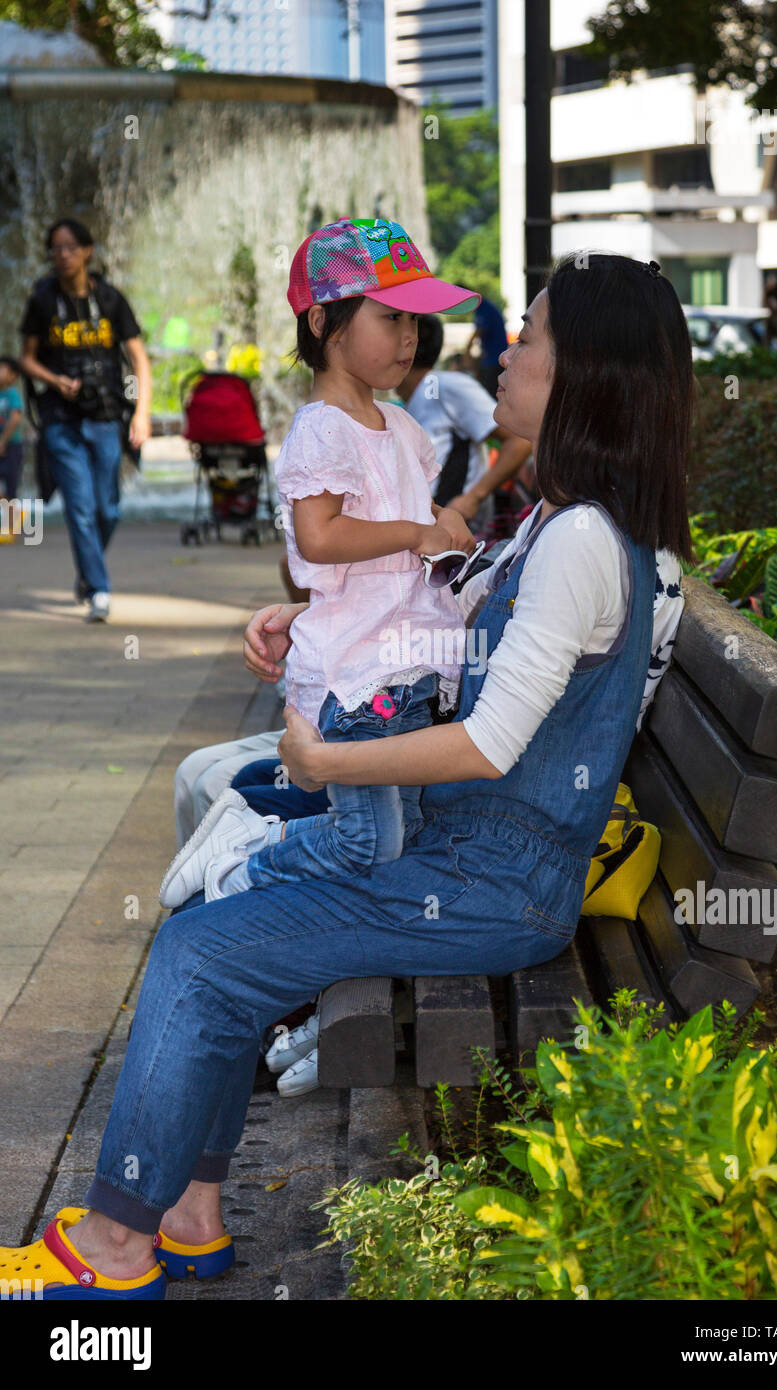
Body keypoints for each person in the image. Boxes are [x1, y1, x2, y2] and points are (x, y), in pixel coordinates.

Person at [0, 251, 694, 1298]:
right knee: (225, 925)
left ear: (585, 374)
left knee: (197, 950)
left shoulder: (580, 542)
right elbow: (446, 635)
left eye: (533, 335)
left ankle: (113, 1243)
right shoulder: (562, 522)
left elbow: (489, 743)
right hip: (461, 848)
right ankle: (185, 1213)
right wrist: (314, 617)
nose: (504, 348)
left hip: (487, 880)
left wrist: (326, 756)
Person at [159, 216, 481, 908]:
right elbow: (320, 538)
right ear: (322, 323)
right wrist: (416, 531)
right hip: (356, 677)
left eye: (416, 321)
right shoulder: (322, 429)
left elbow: (410, 540)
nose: (410, 337)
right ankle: (245, 853)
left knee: (407, 830)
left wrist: (445, 529)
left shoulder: (399, 426)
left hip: (410, 661)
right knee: (370, 840)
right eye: (391, 316)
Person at [19, 218, 152, 622]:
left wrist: (142, 414)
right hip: (61, 419)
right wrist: (54, 380)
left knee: (107, 509)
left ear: (88, 251)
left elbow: (140, 360)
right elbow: (24, 358)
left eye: (70, 247)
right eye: (55, 248)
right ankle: (98, 589)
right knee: (80, 506)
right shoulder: (43, 301)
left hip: (107, 416)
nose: (63, 255)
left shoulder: (110, 300)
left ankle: (87, 575)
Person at [397, 313, 533, 528]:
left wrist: (472, 498)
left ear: (408, 343)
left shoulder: (446, 386)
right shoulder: (404, 405)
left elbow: (518, 441)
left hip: (455, 534)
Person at [465, 294, 509, 397]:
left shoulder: (483, 308)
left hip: (494, 360)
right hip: (493, 358)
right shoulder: (484, 306)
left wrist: (466, 353)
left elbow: (478, 332)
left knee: (489, 395)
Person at [0, 356, 24, 543]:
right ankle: (15, 514)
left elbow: (15, 418)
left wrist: (3, 441)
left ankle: (11, 527)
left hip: (11, 446)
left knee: (11, 485)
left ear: (14, 376)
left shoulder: (12, 394)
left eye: (3, 369)